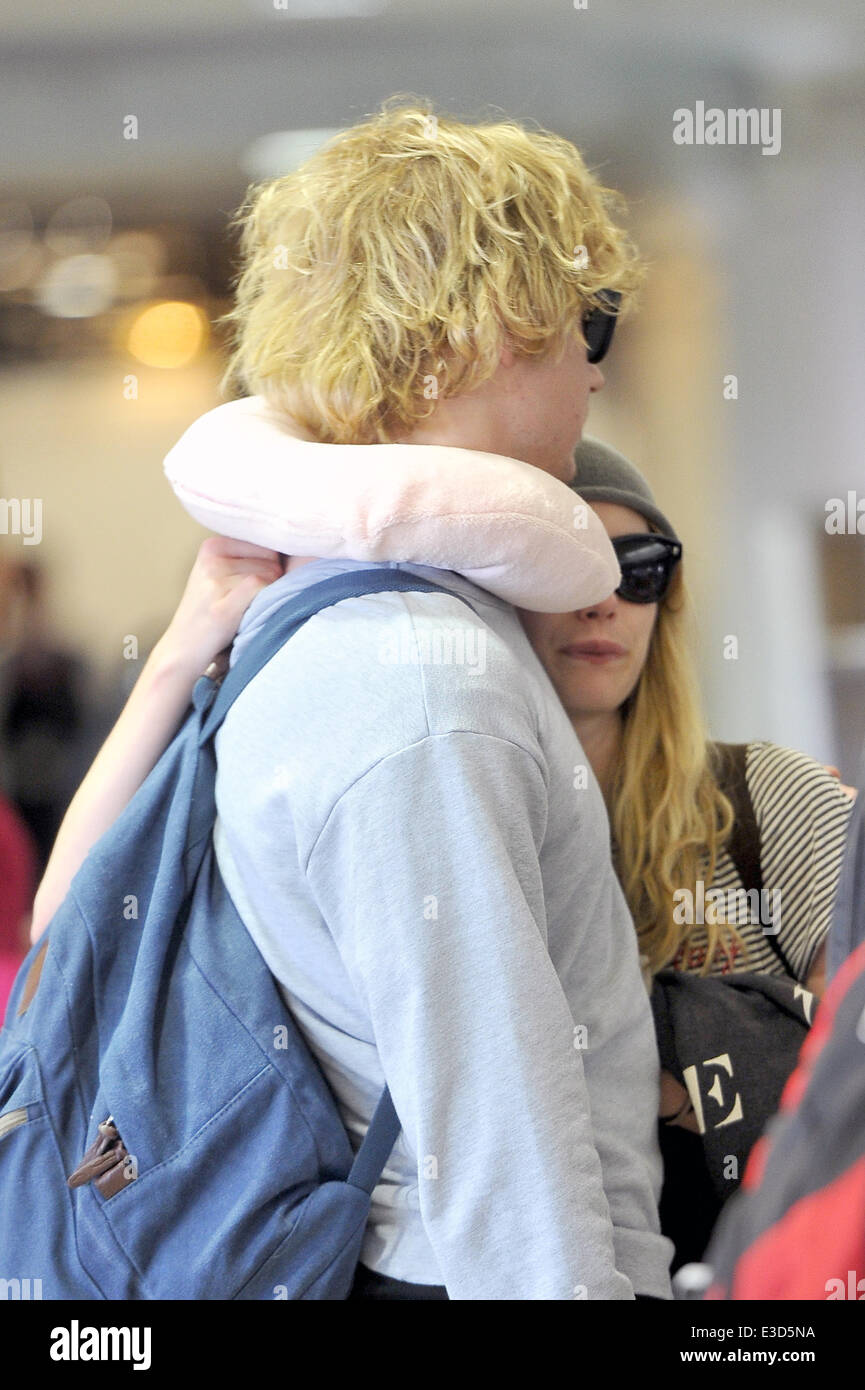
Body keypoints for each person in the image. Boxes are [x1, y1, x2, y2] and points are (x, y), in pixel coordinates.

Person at [31, 102, 672, 1301]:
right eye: (574, 324)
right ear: (448, 347)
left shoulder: (342, 619)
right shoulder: (424, 679)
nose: (594, 365)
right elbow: (498, 1163)